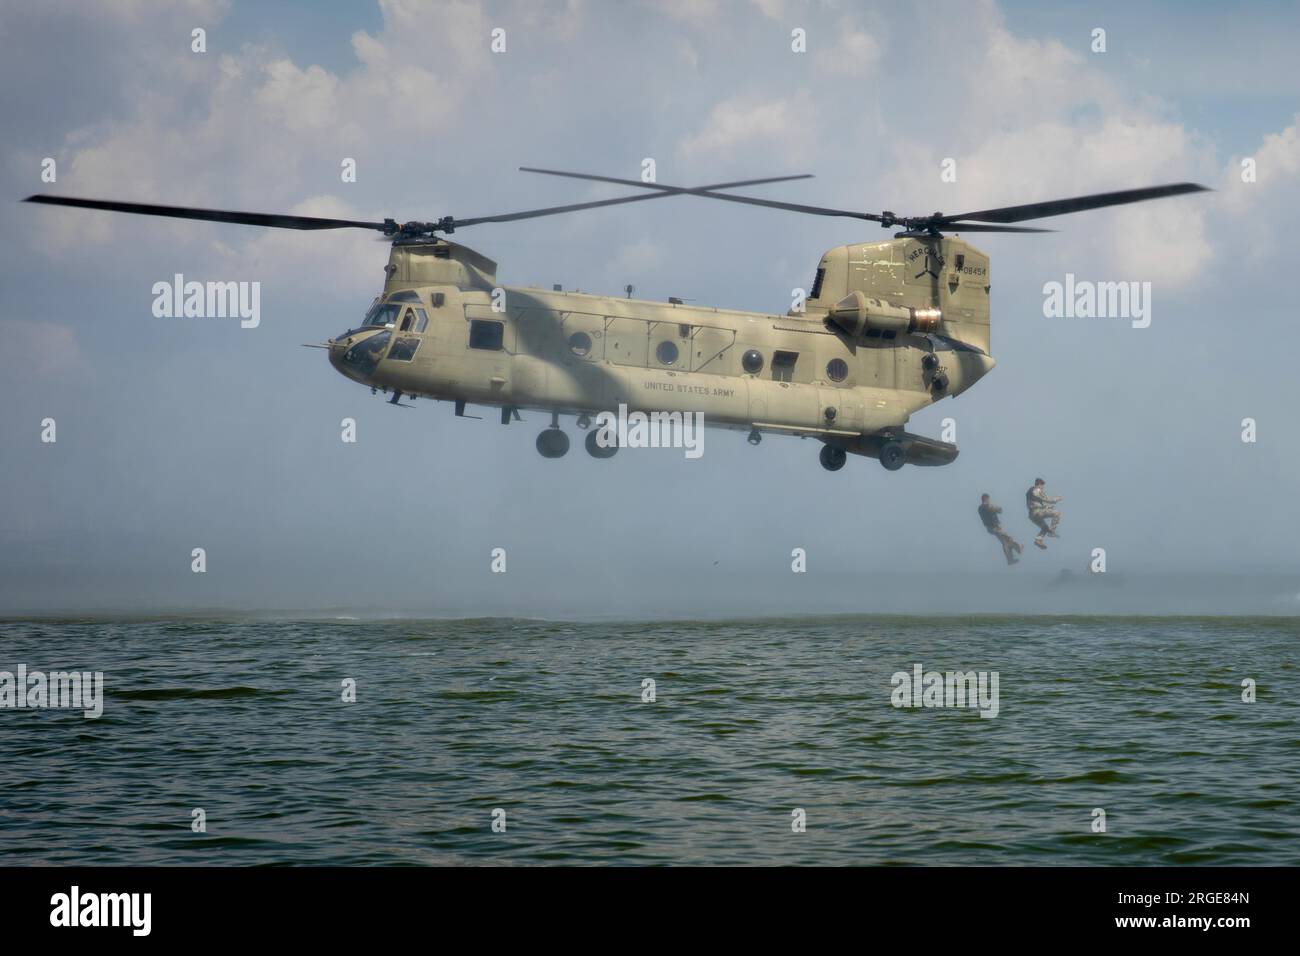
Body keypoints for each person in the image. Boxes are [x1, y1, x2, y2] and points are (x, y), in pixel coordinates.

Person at [979, 494, 1022, 565]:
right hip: (995, 527)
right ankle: (1018, 548)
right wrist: (997, 508)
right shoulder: (987, 506)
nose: (989, 500)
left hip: (989, 528)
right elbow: (999, 510)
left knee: (1004, 542)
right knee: (1008, 538)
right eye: (989, 499)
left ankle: (1010, 560)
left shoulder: (980, 508)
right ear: (986, 499)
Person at [1025, 478, 1062, 550]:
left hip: (1032, 516)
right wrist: (1057, 499)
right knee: (1057, 513)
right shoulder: (1037, 490)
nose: (1043, 488)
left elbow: (1036, 503)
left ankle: (1038, 540)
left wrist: (1047, 507)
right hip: (1038, 513)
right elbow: (1047, 499)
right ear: (1039, 484)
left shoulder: (1030, 492)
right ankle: (1052, 531)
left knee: (1045, 528)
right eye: (1042, 486)